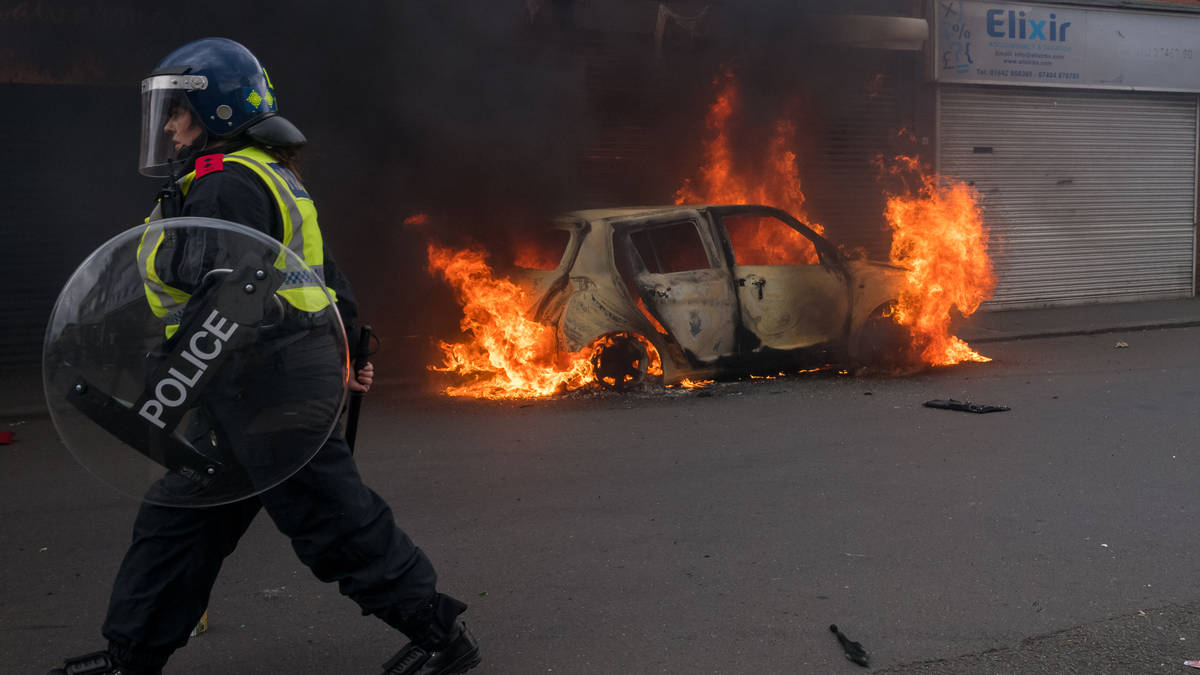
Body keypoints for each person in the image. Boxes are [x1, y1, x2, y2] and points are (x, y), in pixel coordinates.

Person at [50, 38, 480, 675]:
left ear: (218, 111)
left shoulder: (226, 184)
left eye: (178, 111)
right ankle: (130, 658)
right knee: (179, 524)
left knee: (329, 518)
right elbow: (325, 279)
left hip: (267, 382)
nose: (168, 126)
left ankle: (441, 637)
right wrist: (349, 347)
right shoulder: (259, 175)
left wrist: (167, 388)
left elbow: (229, 299)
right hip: (253, 379)